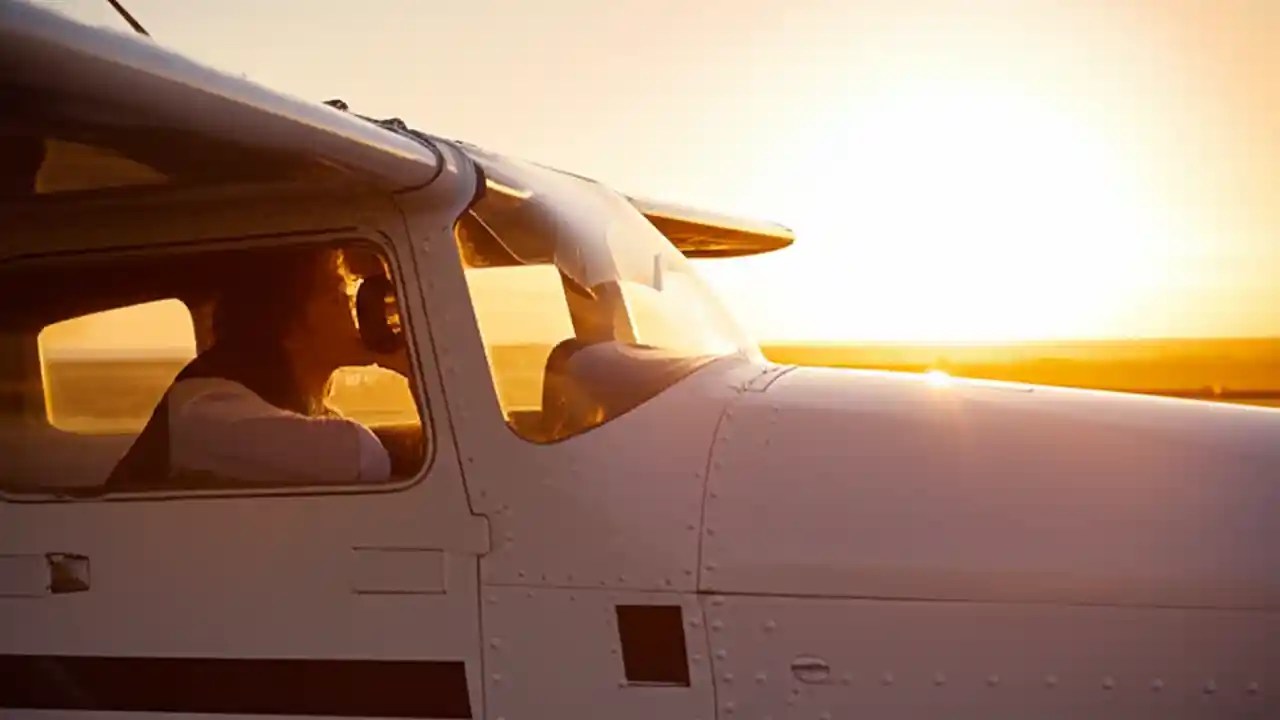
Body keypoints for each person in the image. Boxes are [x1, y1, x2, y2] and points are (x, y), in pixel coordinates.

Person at [105, 245, 413, 489]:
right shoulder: (205, 409)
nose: (353, 309)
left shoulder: (293, 410)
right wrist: (411, 365)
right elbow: (360, 455)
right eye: (336, 296)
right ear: (288, 327)